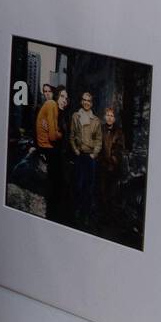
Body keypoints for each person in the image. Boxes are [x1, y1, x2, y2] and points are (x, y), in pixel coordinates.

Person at [69, 91, 102, 227]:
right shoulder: (76, 116)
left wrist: (94, 154)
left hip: (90, 157)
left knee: (89, 188)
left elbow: (99, 140)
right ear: (81, 101)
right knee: (78, 185)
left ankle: (86, 214)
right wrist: (76, 150)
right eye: (84, 100)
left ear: (91, 103)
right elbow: (71, 136)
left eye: (88, 100)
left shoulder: (96, 120)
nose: (86, 102)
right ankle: (77, 212)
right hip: (79, 156)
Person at [96, 105, 126, 216]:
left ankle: (110, 216)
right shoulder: (101, 129)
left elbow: (119, 149)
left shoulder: (119, 132)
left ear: (114, 118)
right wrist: (100, 159)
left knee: (111, 193)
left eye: (112, 116)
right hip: (102, 165)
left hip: (113, 167)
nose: (109, 118)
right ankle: (101, 216)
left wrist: (113, 160)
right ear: (105, 117)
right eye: (108, 115)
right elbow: (97, 145)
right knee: (101, 191)